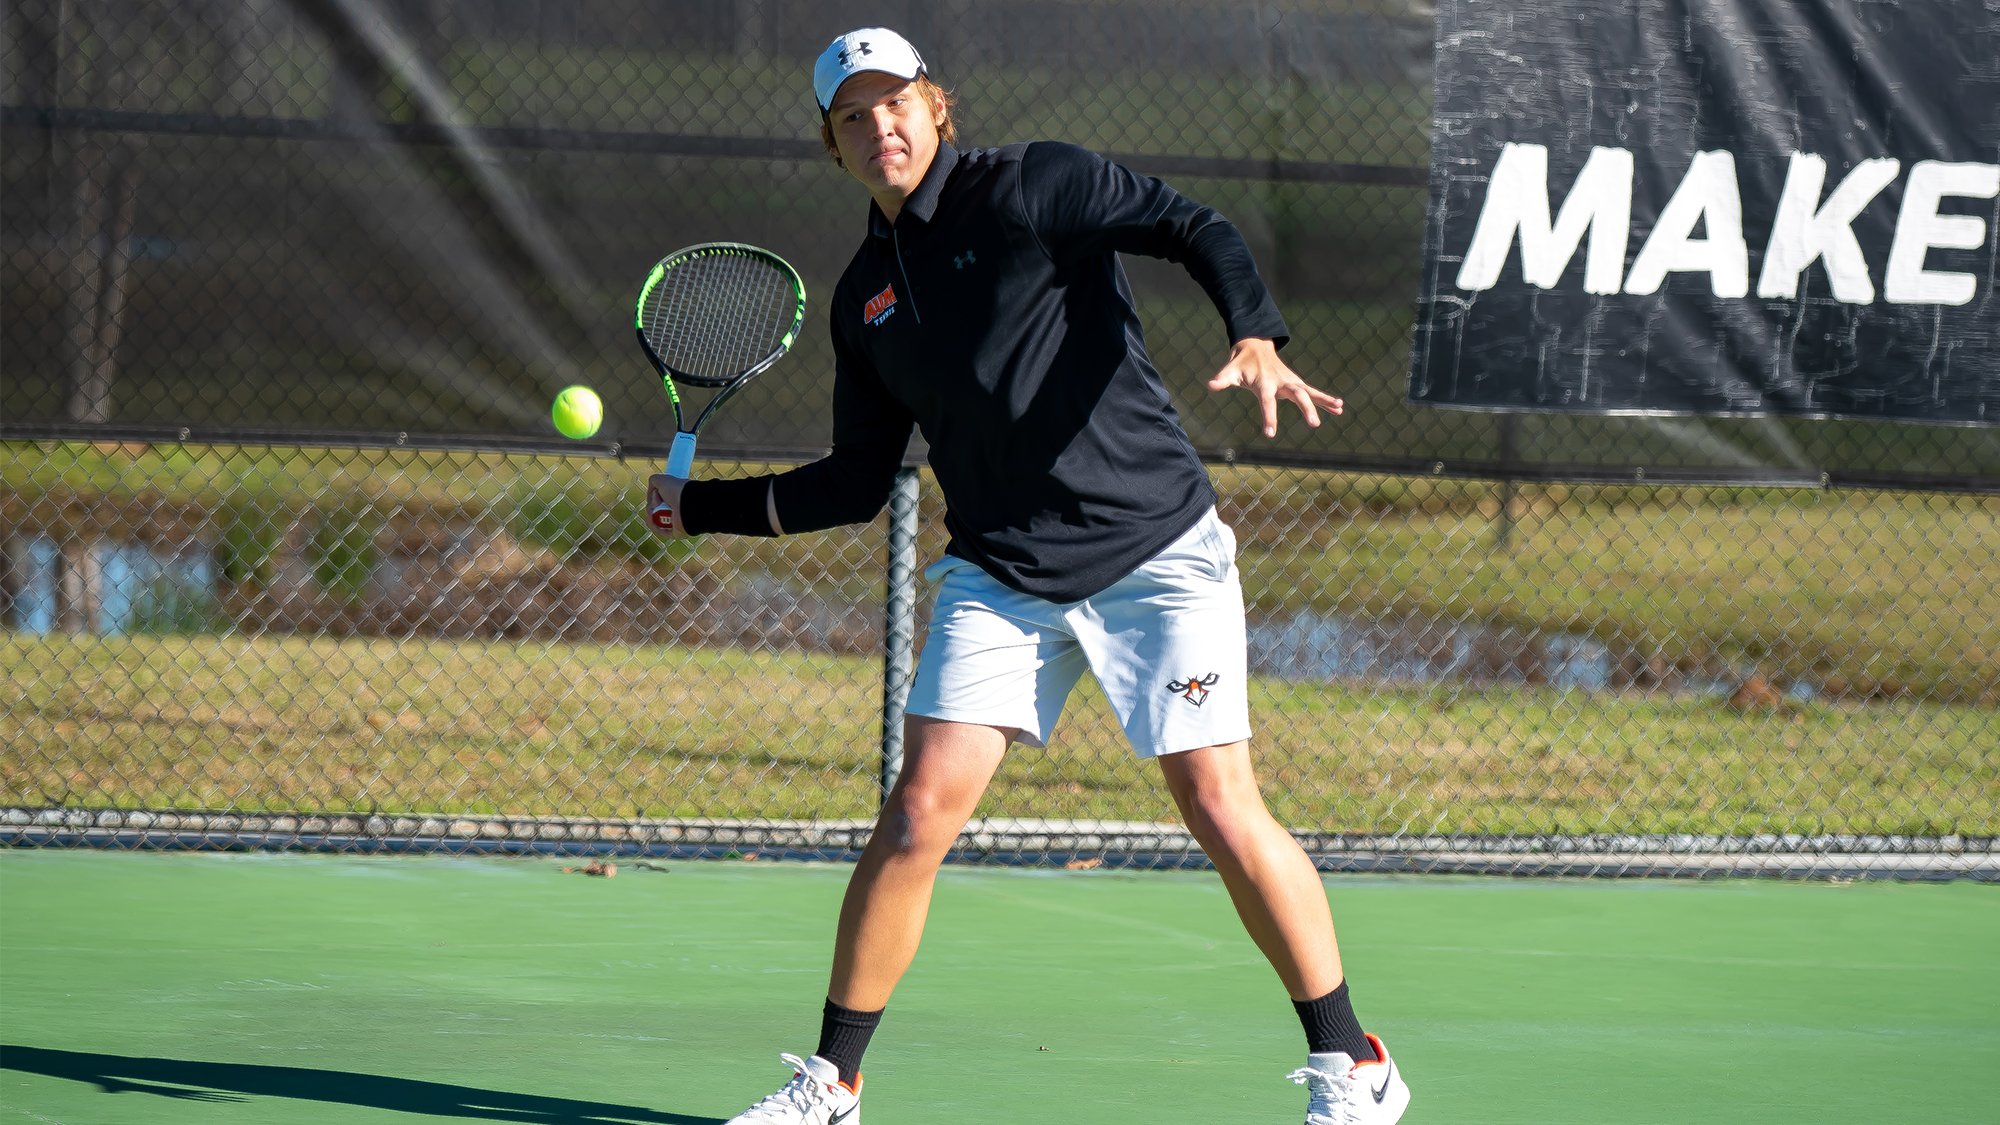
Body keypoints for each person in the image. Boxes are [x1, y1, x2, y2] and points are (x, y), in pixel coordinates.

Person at [646, 27, 1410, 1125]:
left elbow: (1190, 224)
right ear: (834, 143)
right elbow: (858, 483)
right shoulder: (863, 299)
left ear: (934, 106)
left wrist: (1255, 331)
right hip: (1002, 572)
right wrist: (703, 509)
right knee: (914, 817)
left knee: (1215, 802)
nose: (880, 128)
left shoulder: (1035, 184)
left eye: (894, 103)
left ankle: (1355, 1062)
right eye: (852, 118)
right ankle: (831, 1085)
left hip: (1154, 554)